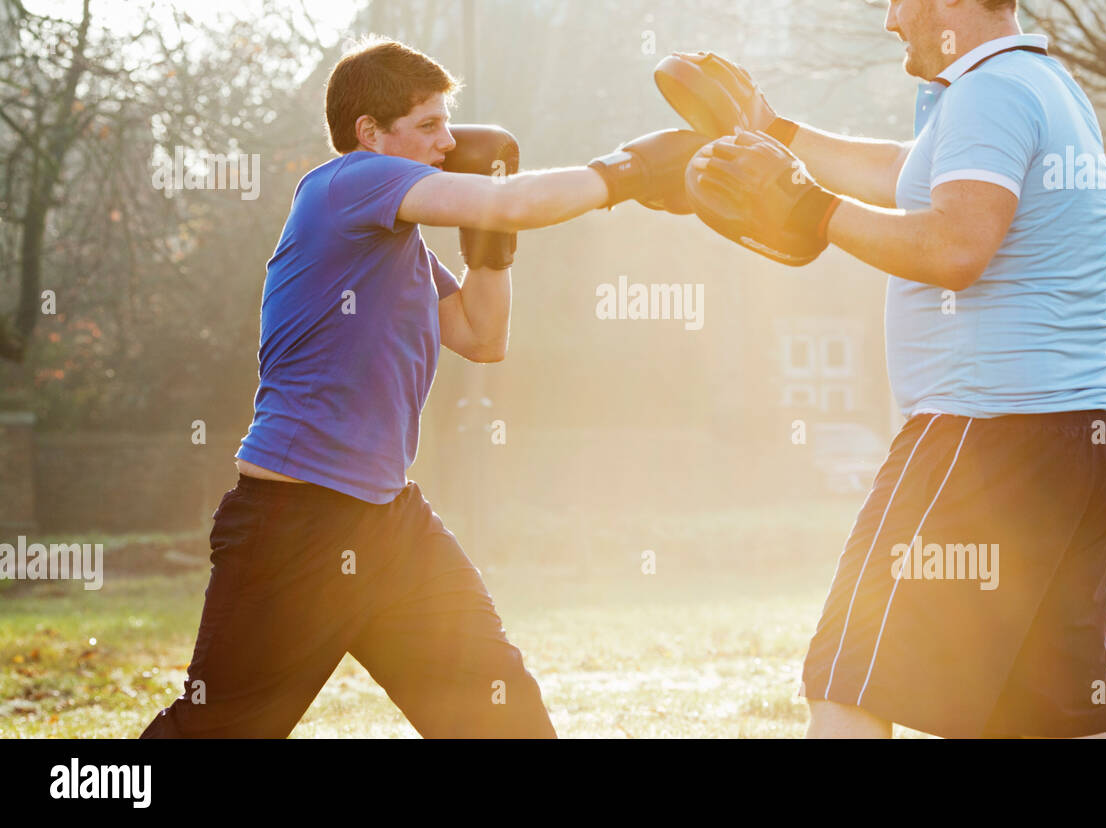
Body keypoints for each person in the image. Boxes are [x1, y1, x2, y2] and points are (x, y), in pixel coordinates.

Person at [140, 36, 705, 738]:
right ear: (370, 133)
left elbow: (481, 336)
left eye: (449, 122)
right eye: (429, 125)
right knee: (220, 729)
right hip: (294, 522)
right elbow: (519, 201)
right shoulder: (346, 181)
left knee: (501, 716)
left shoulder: (397, 249)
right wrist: (631, 170)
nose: (448, 143)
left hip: (389, 524)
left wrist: (489, 243)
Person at [679, 0, 1106, 739]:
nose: (890, 20)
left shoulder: (988, 93)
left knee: (850, 677)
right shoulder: (1039, 82)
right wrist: (777, 134)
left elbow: (956, 246)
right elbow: (910, 177)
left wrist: (809, 210)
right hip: (1079, 443)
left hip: (981, 435)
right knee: (1060, 715)